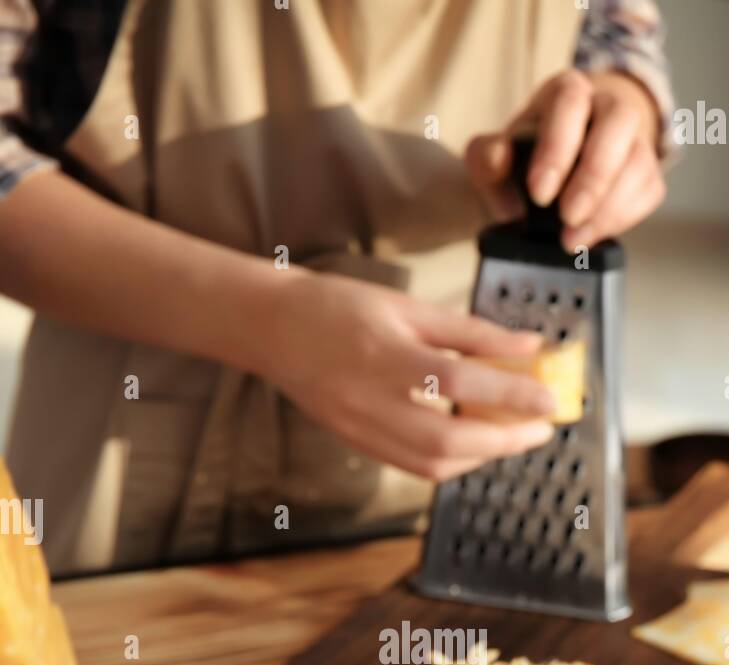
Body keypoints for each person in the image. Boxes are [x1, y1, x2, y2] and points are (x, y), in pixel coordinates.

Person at [0, 0, 673, 575]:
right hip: (123, 458)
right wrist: (269, 320)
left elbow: (619, 40)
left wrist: (622, 113)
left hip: (455, 453)